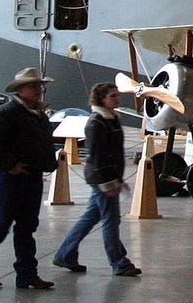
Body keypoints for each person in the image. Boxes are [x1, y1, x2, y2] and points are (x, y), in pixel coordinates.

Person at [0, 67, 60, 290]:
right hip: (10, 179)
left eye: (40, 86)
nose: (39, 90)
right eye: (34, 86)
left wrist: (47, 164)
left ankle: (27, 274)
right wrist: (11, 166)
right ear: (20, 90)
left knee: (27, 228)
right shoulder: (5, 114)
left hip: (32, 177)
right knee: (0, 226)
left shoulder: (37, 114)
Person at [54, 82, 141, 277]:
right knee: (111, 220)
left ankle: (65, 254)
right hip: (103, 179)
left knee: (90, 217)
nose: (118, 99)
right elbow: (97, 156)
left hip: (108, 177)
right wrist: (108, 183)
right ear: (102, 99)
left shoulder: (110, 119)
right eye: (113, 96)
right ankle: (119, 262)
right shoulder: (97, 123)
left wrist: (117, 178)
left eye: (117, 95)